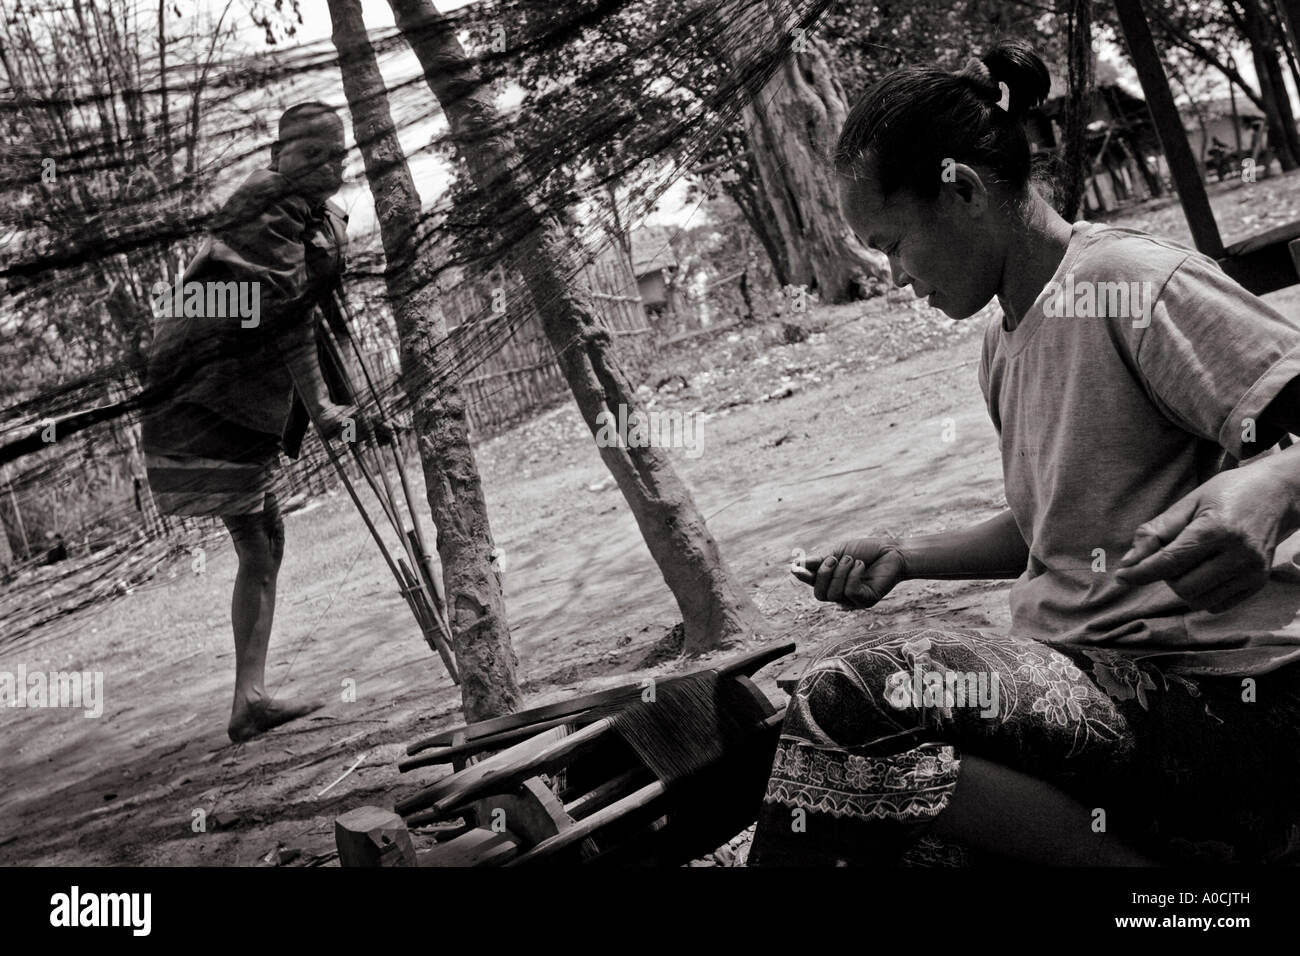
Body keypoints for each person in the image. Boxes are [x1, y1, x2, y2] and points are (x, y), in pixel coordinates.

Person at [750, 41, 1300, 866]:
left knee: (857, 694)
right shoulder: (1005, 344)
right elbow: (1058, 523)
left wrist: (1275, 487)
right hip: (1099, 695)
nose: (899, 276)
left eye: (894, 243)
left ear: (962, 190)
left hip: (1226, 701)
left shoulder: (1128, 281)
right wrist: (903, 556)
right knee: (876, 821)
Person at [142, 103, 376, 743]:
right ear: (278, 157)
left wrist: (344, 396)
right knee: (260, 541)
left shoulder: (326, 214)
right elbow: (285, 310)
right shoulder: (263, 199)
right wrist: (324, 408)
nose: (325, 166)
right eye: (309, 154)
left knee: (266, 540)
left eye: (336, 153)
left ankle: (250, 698)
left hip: (243, 393)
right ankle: (249, 699)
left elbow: (321, 311)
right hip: (205, 393)